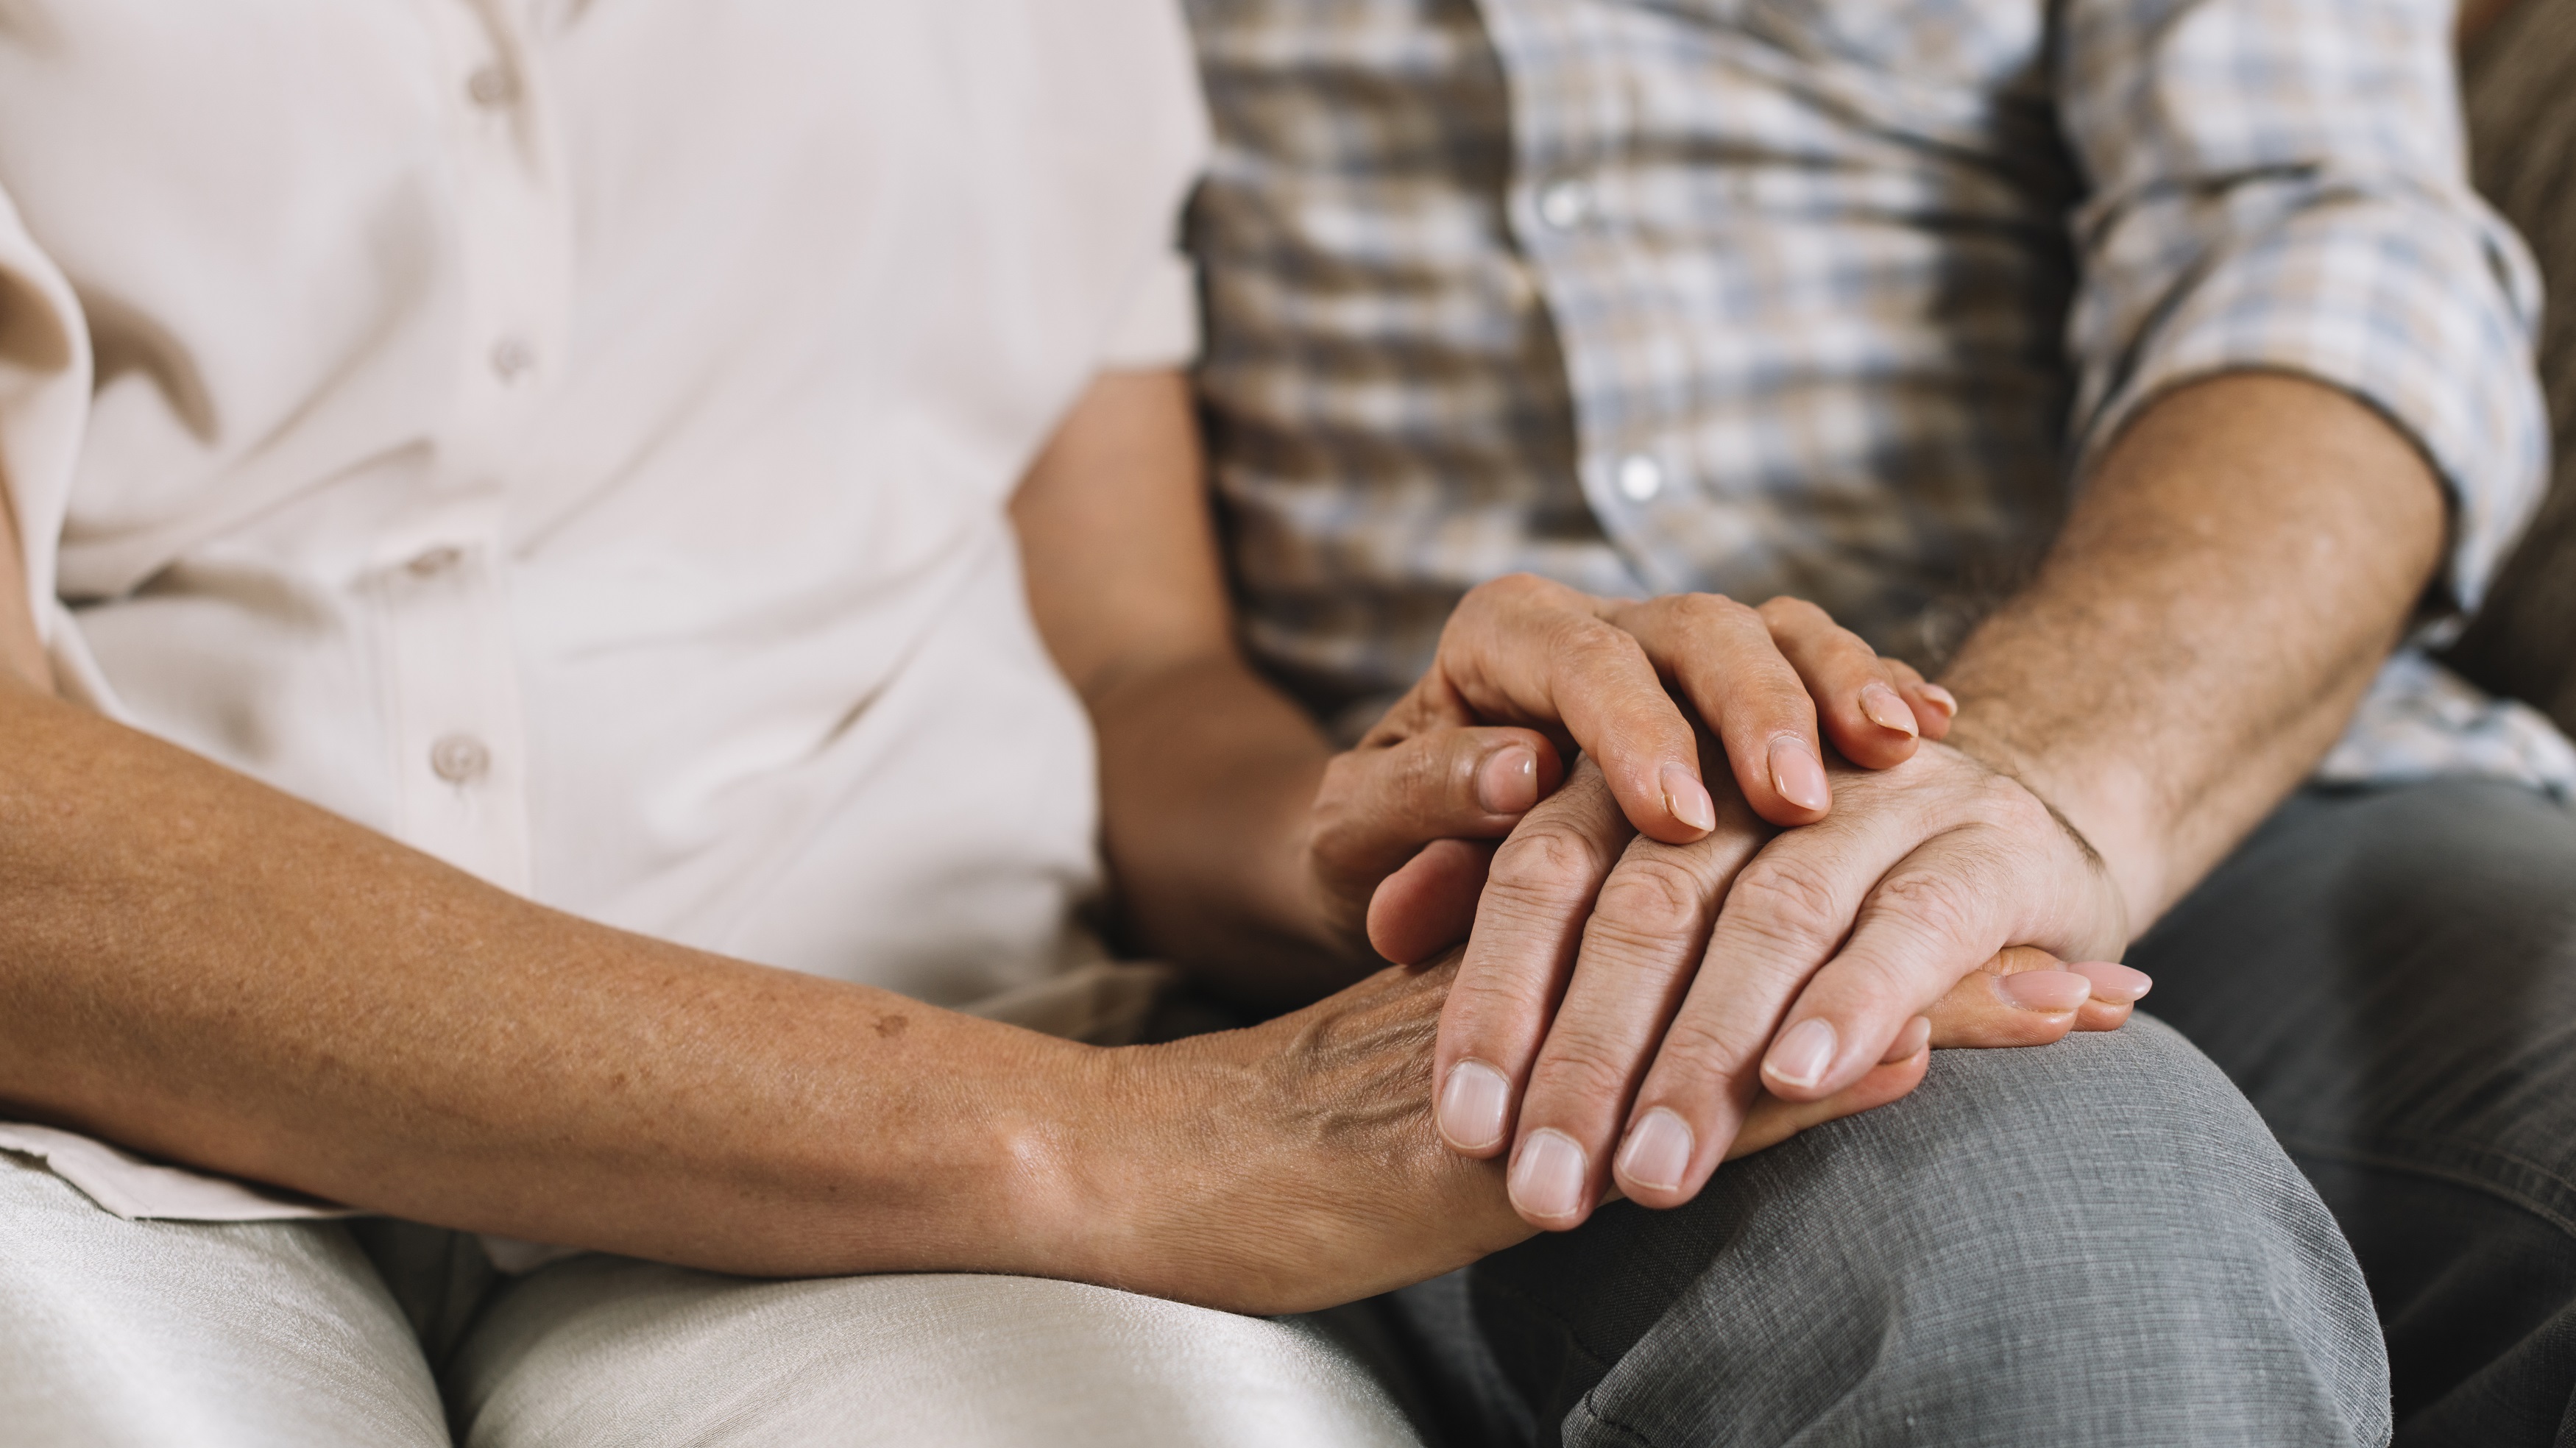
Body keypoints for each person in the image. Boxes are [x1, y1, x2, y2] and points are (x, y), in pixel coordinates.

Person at [0, 3, 2329, 1446]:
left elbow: (1129, 674)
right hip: (99, 1138)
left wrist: (1457, 826)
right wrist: (1101, 1153)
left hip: (910, 1028)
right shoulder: (1082, 1144)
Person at [1177, 0, 2576, 1441]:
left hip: (2209, 750)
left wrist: (2039, 768)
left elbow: (2325, 249)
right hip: (1483, 900)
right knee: (2066, 1242)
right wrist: (1388, 841)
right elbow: (1130, 663)